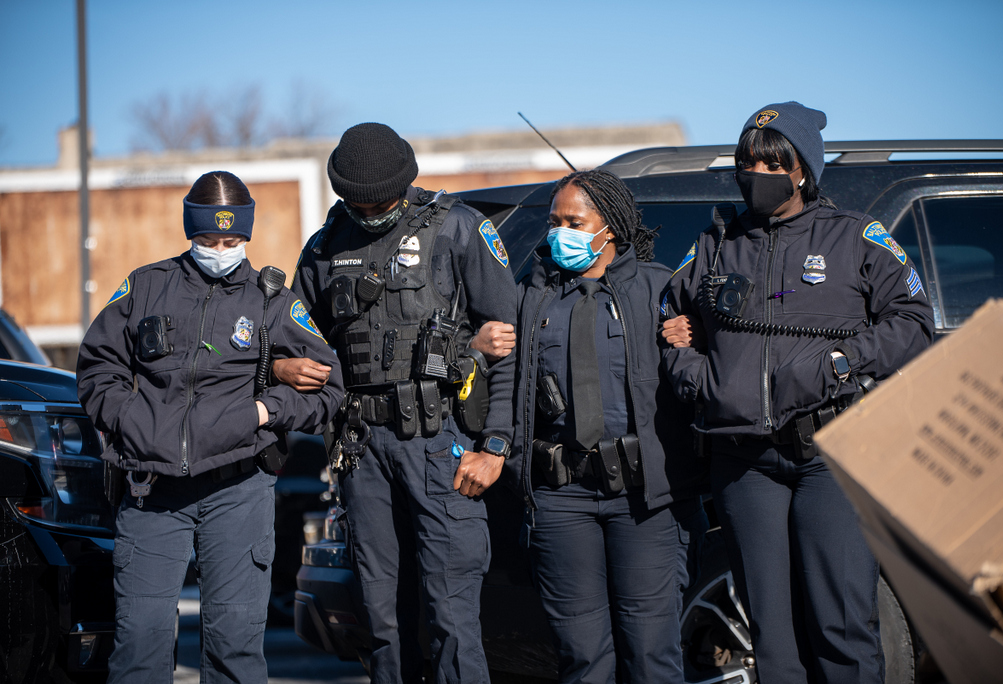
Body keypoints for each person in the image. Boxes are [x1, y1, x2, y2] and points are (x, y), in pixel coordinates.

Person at [661, 102, 935, 684]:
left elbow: (911, 323)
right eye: (747, 161)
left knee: (841, 629)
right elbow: (669, 319)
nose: (755, 173)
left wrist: (841, 362)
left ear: (802, 170)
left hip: (830, 457)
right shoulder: (716, 242)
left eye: (771, 161)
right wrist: (695, 373)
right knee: (772, 635)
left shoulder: (856, 236)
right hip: (743, 464)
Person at [76, 171, 345, 684]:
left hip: (239, 489)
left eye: (231, 240)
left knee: (234, 649)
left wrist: (266, 410)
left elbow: (329, 390)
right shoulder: (145, 287)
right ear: (188, 232)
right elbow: (96, 367)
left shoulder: (273, 301)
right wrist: (131, 423)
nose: (220, 250)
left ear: (246, 235)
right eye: (207, 240)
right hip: (151, 490)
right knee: (138, 646)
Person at [276, 123, 517, 684]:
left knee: (451, 614)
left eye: (379, 203)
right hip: (363, 450)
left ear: (405, 184)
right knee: (382, 617)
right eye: (355, 203)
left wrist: (497, 445)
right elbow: (296, 340)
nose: (369, 213)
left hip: (442, 442)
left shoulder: (458, 228)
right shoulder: (323, 247)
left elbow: (509, 345)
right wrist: (283, 367)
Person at [508, 168, 707, 683]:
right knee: (582, 656)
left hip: (644, 500)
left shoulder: (659, 288)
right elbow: (504, 380)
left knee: (651, 653)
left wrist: (692, 337)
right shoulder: (531, 296)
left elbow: (709, 368)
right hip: (562, 498)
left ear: (610, 227)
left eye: (574, 221)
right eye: (554, 222)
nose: (559, 233)